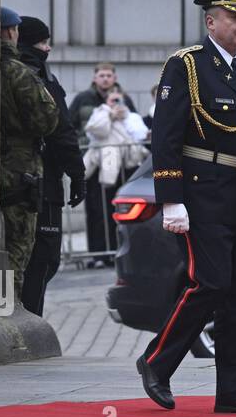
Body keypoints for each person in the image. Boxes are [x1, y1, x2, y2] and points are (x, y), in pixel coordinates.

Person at [136, 0, 236, 414]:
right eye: (235, 17)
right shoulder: (186, 66)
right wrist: (171, 198)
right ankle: (155, 361)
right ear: (211, 21)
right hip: (201, 193)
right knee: (211, 283)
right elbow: (165, 136)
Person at [16, 16, 86, 311]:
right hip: (42, 184)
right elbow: (61, 133)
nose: (48, 49)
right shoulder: (36, 78)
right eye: (43, 43)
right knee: (43, 260)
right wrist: (77, 174)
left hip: (21, 181)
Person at [0, 7, 59, 299]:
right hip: (19, 171)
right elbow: (46, 121)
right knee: (16, 254)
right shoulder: (18, 72)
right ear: (11, 32)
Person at [69, 61, 136, 264]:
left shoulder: (125, 99)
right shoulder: (83, 99)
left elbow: (134, 126)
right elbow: (70, 125)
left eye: (109, 75)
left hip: (121, 165)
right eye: (102, 75)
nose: (105, 79)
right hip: (93, 163)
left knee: (117, 210)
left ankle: (117, 252)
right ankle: (98, 253)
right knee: (96, 209)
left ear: (114, 78)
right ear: (94, 77)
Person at [82, 85, 149, 263]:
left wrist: (125, 117)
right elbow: (95, 131)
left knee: (119, 214)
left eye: (119, 100)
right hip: (102, 170)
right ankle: (99, 253)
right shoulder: (99, 113)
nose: (116, 103)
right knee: (99, 214)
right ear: (106, 101)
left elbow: (140, 135)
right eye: (112, 100)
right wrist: (109, 115)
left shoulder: (131, 117)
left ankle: (119, 250)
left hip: (126, 169)